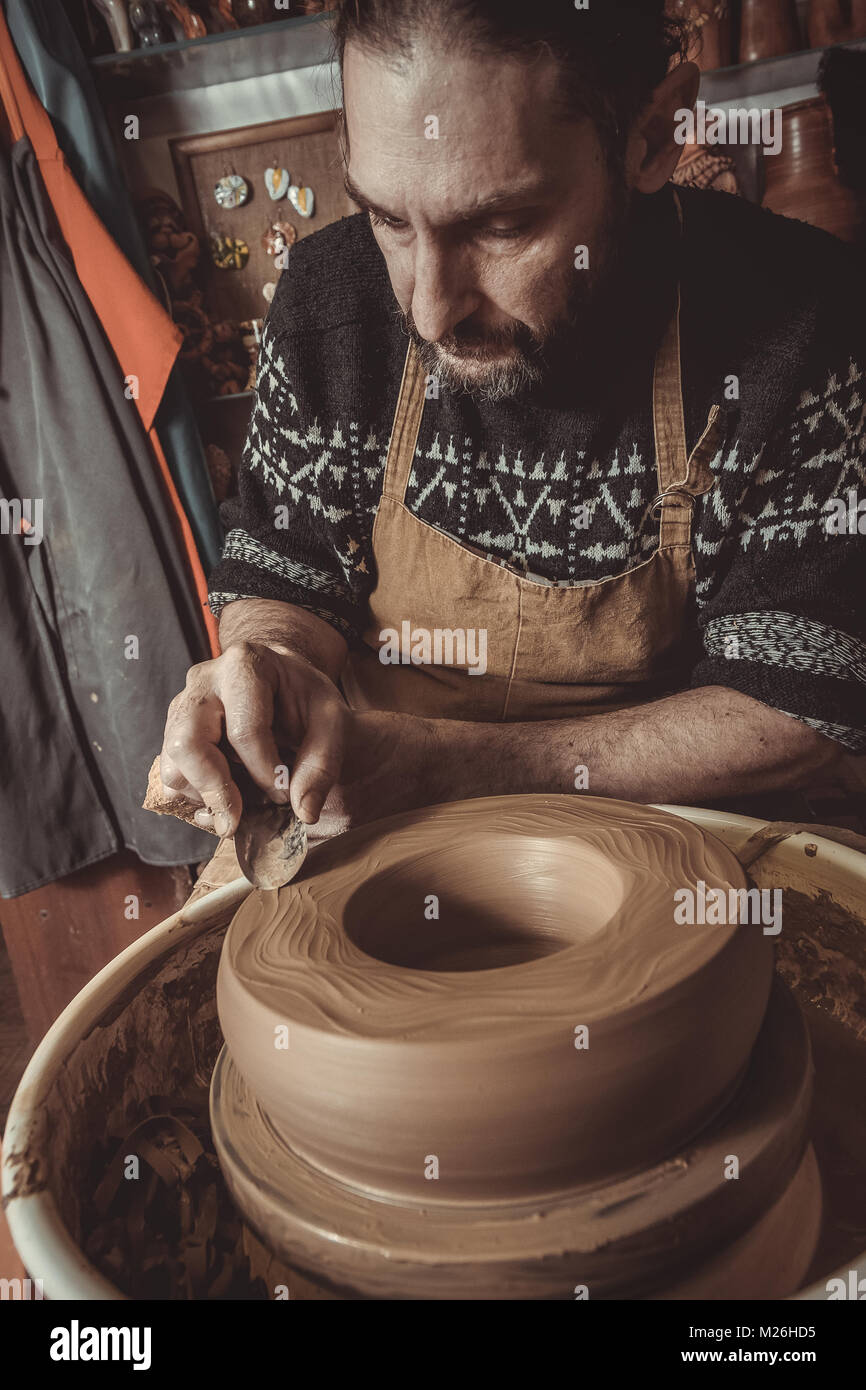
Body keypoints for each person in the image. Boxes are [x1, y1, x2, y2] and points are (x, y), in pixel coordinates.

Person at [159, 0, 866, 842]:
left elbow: (801, 706)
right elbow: (288, 571)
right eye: (388, 219)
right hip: (378, 825)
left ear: (652, 136)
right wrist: (270, 668)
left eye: (500, 226)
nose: (428, 311)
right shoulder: (329, 298)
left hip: (683, 847)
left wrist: (449, 768)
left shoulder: (800, 318)